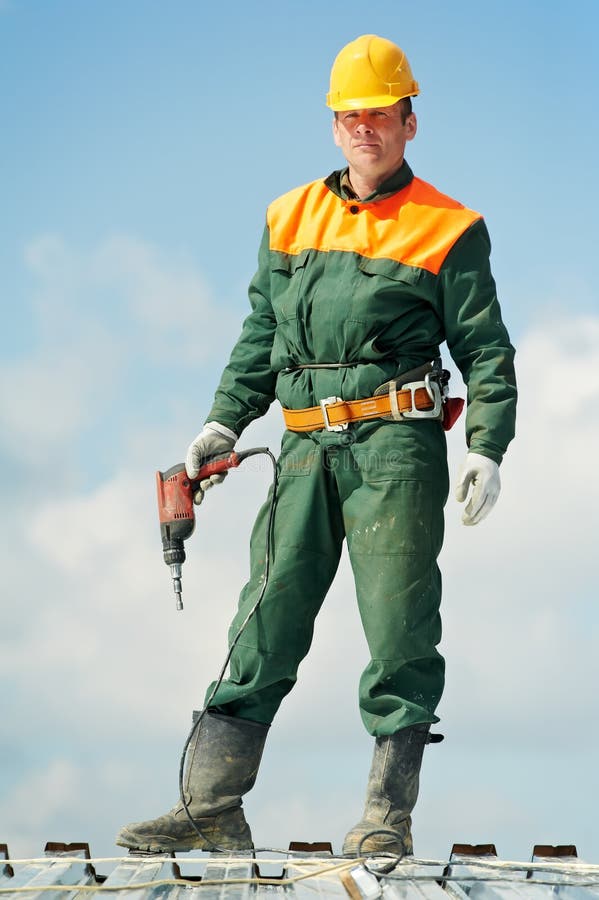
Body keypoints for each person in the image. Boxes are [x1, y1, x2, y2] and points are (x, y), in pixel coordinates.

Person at [116, 34, 517, 858]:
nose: (364, 128)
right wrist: (225, 420)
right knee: (263, 618)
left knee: (399, 629)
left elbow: (485, 349)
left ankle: (385, 818)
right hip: (301, 450)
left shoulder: (449, 228)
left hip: (394, 449)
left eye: (379, 114)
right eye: (349, 115)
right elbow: (261, 334)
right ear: (333, 125)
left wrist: (487, 444)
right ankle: (210, 806)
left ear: (408, 121)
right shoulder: (288, 217)